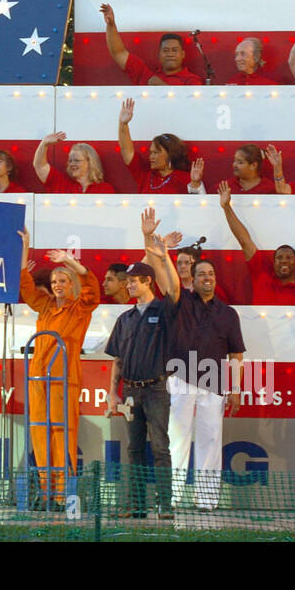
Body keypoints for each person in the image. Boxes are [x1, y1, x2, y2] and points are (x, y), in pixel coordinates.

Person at [105, 210, 181, 519]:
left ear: (148, 281)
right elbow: (118, 360)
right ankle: (135, 505)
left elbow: (174, 289)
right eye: (128, 282)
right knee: (134, 450)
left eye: (134, 281)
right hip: (132, 392)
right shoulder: (125, 318)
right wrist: (113, 393)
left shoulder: (164, 310)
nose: (130, 285)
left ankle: (164, 505)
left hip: (156, 388)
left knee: (160, 448)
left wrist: (153, 245)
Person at [18, 227, 100, 507]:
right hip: (38, 379)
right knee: (40, 435)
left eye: (62, 279)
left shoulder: (79, 309)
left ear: (71, 283)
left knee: (62, 434)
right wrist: (25, 248)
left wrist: (70, 262)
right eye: (54, 280)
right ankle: (47, 493)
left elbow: (92, 289)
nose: (57, 284)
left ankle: (65, 493)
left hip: (64, 381)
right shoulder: (45, 307)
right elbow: (27, 288)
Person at [167, 253, 244, 510]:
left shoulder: (228, 314)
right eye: (201, 274)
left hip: (214, 381)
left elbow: (236, 355)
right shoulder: (181, 303)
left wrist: (235, 388)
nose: (207, 278)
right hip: (180, 378)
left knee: (210, 440)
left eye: (210, 274)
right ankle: (173, 498)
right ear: (193, 278)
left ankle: (208, 500)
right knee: (177, 438)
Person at [220, 181, 295, 306]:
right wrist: (226, 207)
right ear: (273, 262)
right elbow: (244, 241)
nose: (284, 261)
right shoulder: (262, 274)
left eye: (289, 257)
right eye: (279, 258)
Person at [101, 5, 201, 86]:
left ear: (183, 54)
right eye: (165, 50)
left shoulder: (192, 81)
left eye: (174, 50)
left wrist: (160, 86)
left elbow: (189, 107)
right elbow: (119, 53)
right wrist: (111, 25)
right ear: (159, 55)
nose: (170, 54)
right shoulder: (146, 75)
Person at [117, 99, 196, 194]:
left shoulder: (185, 178)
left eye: (156, 152)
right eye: (151, 153)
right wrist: (123, 124)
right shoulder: (144, 174)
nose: (151, 157)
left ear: (170, 154)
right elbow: (126, 150)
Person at [33, 132, 116, 194]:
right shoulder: (61, 183)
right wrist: (44, 144)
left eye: (76, 160)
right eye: (70, 161)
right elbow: (39, 166)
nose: (72, 164)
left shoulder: (105, 189)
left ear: (90, 162)